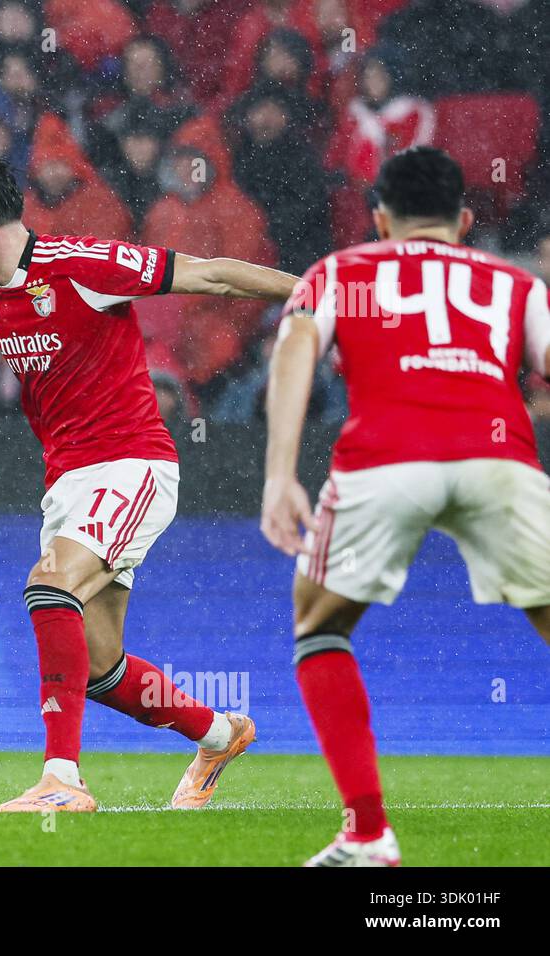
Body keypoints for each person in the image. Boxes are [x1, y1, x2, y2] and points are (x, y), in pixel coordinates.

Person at [0, 157, 298, 811]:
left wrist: (320, 291)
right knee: (99, 669)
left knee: (49, 586)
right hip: (67, 482)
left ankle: (62, 781)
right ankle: (219, 733)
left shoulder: (84, 264)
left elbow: (210, 274)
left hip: (131, 465)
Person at [262, 146, 550, 866]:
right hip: (500, 459)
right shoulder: (518, 282)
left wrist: (279, 473)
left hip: (385, 459)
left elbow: (297, 346)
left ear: (379, 219)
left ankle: (367, 835)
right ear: (466, 219)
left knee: (319, 625)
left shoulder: (345, 271)